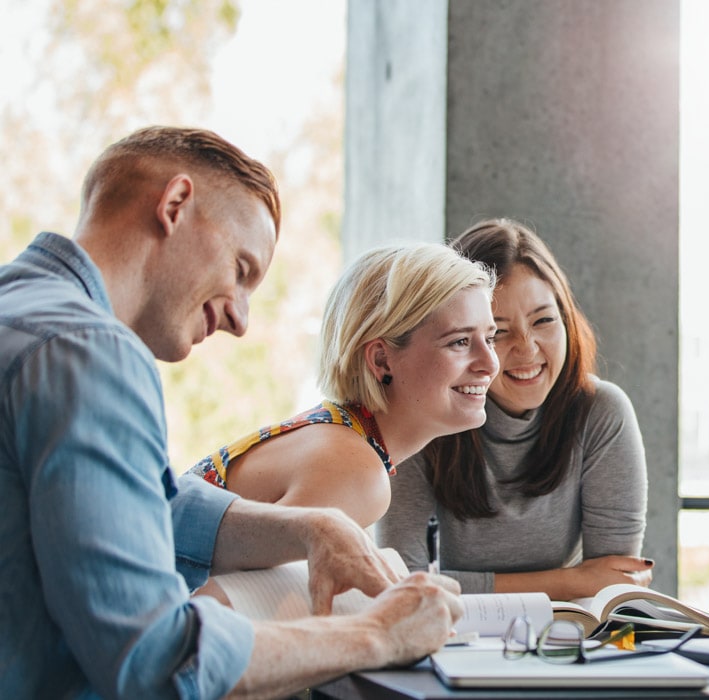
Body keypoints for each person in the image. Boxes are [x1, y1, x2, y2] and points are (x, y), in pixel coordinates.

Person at [0, 126, 465, 699]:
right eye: (242, 270)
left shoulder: (20, 314)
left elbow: (145, 502)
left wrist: (312, 526)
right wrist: (377, 634)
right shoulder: (89, 352)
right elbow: (157, 661)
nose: (241, 319)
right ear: (174, 205)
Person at [378, 218, 651, 599]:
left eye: (543, 320)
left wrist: (583, 584)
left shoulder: (601, 412)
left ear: (567, 320)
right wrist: (568, 581)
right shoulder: (422, 414)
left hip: (564, 638)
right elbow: (403, 583)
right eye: (499, 332)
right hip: (448, 637)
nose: (527, 349)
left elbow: (612, 582)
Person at [188, 243, 499, 528]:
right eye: (459, 342)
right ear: (381, 360)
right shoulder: (356, 473)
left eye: (490, 339)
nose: (490, 364)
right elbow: (226, 589)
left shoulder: (342, 436)